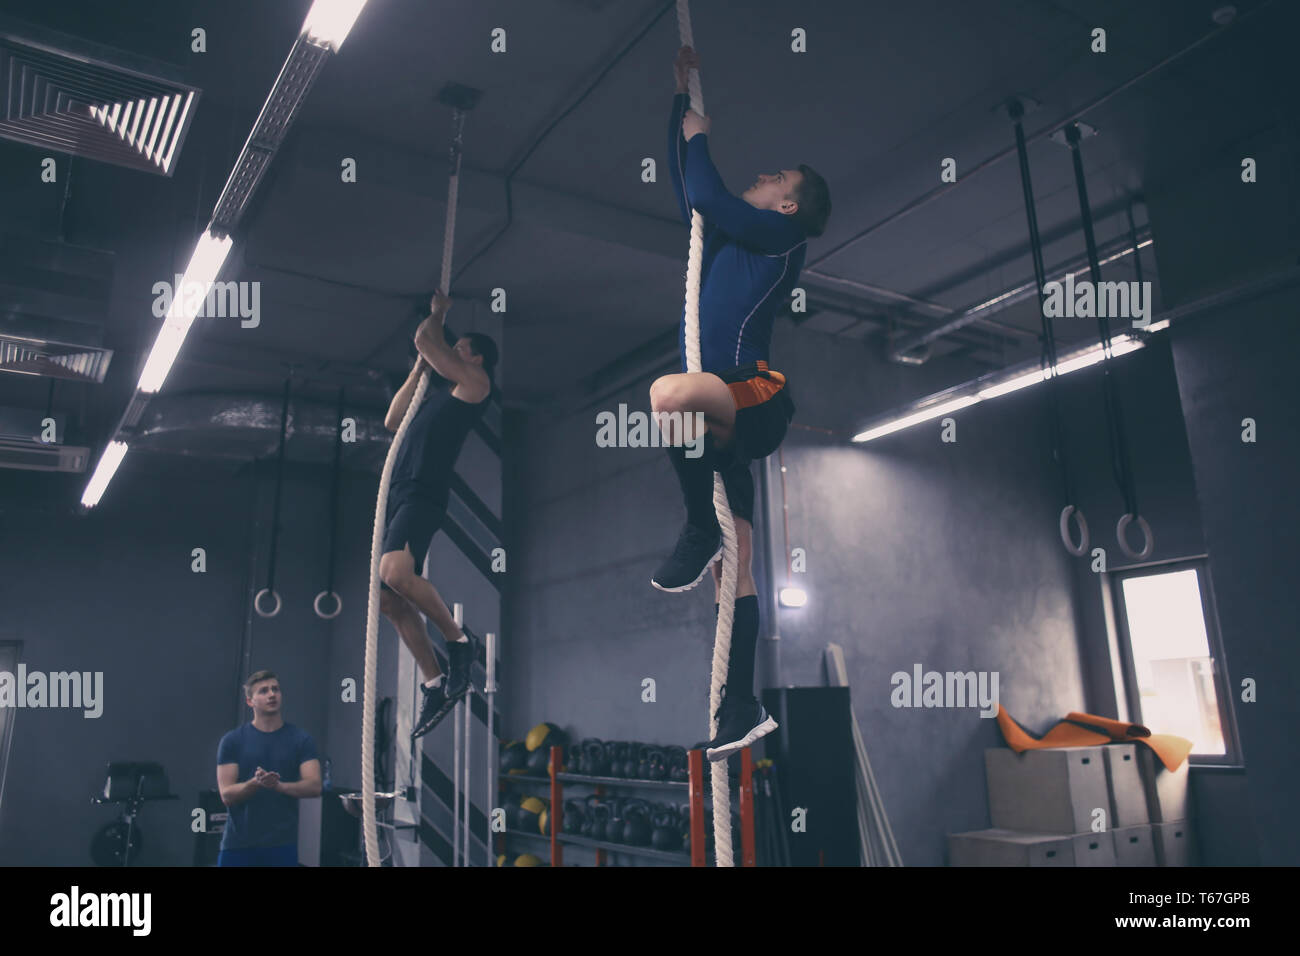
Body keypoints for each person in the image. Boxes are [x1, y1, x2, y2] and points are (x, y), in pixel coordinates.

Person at [652, 46, 832, 761]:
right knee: (740, 566)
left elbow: (707, 192)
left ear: (788, 204)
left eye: (776, 177)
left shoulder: (783, 237)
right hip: (722, 417)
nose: (764, 176)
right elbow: (686, 190)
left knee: (671, 393)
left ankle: (698, 525)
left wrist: (700, 133)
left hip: (752, 399)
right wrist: (679, 110)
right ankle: (741, 705)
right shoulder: (735, 233)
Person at [379, 290, 496, 739]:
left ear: (477, 358)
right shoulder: (436, 397)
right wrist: (420, 368)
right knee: (390, 600)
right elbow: (393, 420)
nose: (452, 352)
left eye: (460, 347)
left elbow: (425, 339)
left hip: (423, 494)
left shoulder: (475, 387)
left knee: (396, 573)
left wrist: (439, 314)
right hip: (399, 493)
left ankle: (460, 642)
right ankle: (434, 682)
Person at [216, 671, 321, 866]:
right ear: (250, 701)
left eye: (275, 689)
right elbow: (227, 795)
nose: (272, 694)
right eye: (263, 691)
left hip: (281, 845)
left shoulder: (301, 739)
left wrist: (279, 786)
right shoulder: (232, 741)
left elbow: (314, 786)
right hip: (238, 845)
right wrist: (255, 783)